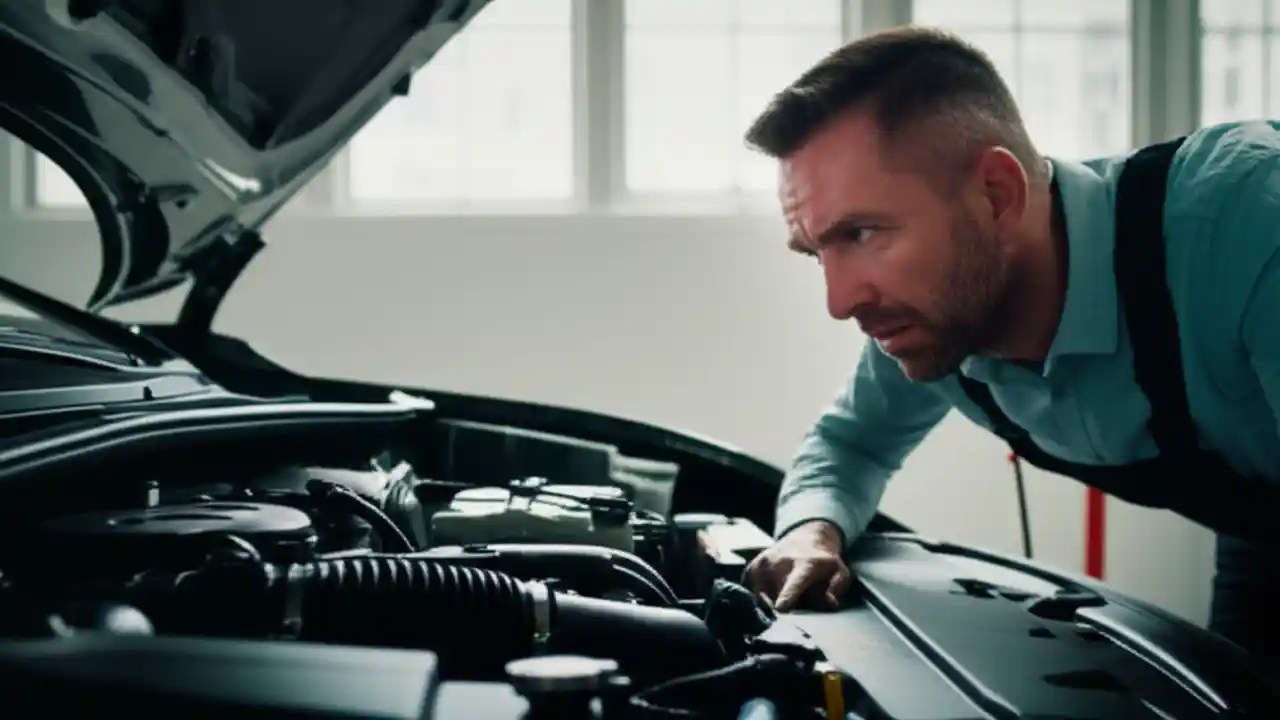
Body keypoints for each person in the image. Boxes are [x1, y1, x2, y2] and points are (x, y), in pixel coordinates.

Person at [738, 25, 1280, 671]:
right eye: (816, 253)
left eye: (861, 233)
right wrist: (810, 532)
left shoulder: (1248, 222)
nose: (840, 300)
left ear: (996, 195)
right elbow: (849, 445)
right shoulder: (934, 321)